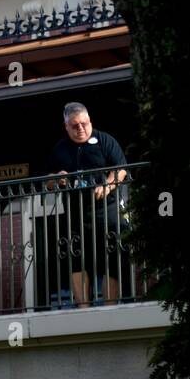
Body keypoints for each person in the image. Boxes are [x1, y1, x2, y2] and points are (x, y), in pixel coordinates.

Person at [46, 102, 129, 307]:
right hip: (76, 213)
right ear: (66, 126)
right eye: (74, 126)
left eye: (84, 123)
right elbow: (47, 181)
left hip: (106, 210)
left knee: (111, 258)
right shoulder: (60, 148)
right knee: (76, 260)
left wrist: (107, 186)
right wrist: (56, 178)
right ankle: (83, 308)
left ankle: (109, 307)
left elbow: (121, 170)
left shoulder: (105, 140)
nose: (80, 128)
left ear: (90, 121)